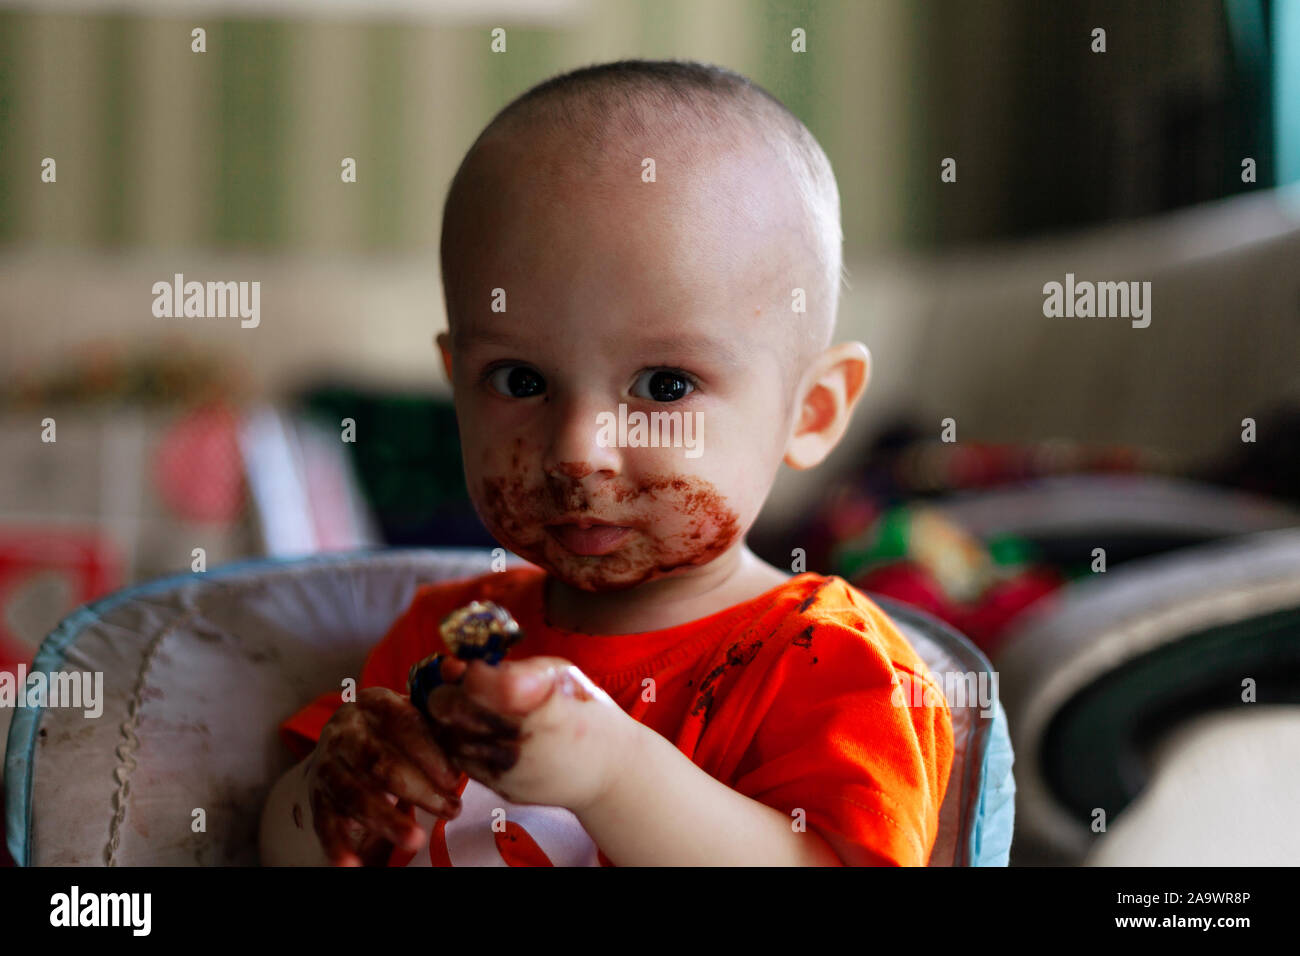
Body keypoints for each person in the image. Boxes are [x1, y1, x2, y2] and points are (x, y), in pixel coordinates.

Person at [259, 59, 953, 867]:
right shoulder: (443, 636)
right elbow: (281, 854)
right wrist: (330, 796)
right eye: (520, 381)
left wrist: (614, 774)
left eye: (665, 385)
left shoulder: (832, 663)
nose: (577, 452)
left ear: (813, 410)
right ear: (458, 387)